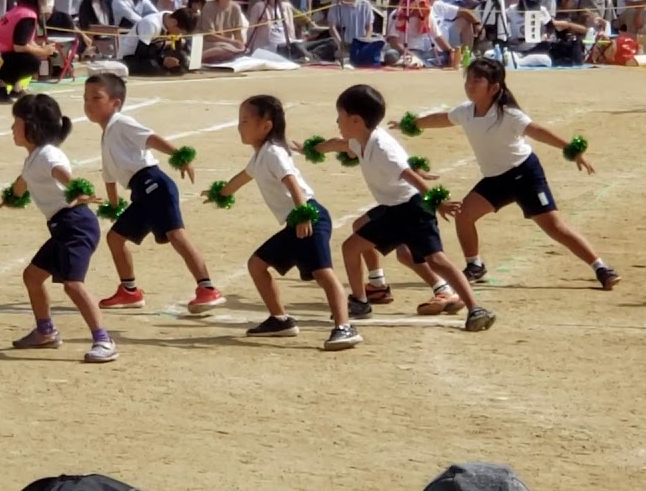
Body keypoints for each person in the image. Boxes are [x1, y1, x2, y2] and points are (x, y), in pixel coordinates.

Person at [397, 58, 620, 290]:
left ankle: (601, 267)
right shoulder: (466, 112)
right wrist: (412, 124)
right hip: (496, 179)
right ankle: (475, 265)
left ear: (494, 88)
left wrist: (571, 150)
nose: (470, 85)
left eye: (477, 80)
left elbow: (539, 131)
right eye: (468, 80)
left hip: (524, 174)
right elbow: (441, 118)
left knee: (554, 226)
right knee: (463, 215)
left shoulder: (509, 115)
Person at [299, 84, 497, 331]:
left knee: (437, 260)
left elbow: (409, 175)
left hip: (413, 210)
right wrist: (310, 149)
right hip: (392, 211)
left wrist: (438, 201)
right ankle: (360, 301)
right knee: (351, 246)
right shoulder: (360, 139)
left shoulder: (382, 148)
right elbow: (338, 144)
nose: (337, 121)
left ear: (356, 120)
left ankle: (475, 308)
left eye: (340, 117)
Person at [201, 95, 362, 350]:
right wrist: (220, 193)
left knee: (323, 273)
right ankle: (280, 320)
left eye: (245, 120)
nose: (239, 126)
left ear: (265, 126)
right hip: (295, 222)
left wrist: (303, 214)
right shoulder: (260, 156)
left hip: (310, 216)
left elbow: (292, 182)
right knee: (257, 265)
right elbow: (242, 178)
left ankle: (344, 326)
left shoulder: (274, 153)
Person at [83, 73, 226, 313]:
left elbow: (150, 138)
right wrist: (113, 204)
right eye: (86, 98)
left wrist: (179, 156)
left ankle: (207, 288)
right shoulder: (106, 134)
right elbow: (109, 176)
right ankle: (129, 291)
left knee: (176, 235)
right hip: (141, 192)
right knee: (115, 238)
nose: (89, 104)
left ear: (115, 103)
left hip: (155, 184)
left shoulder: (121, 122)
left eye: (96, 98)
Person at [0, 94, 117, 362]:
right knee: (32, 275)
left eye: (16, 122)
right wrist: (11, 198)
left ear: (32, 125)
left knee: (73, 284)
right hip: (62, 227)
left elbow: (60, 173)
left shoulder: (48, 155)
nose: (12, 128)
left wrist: (79, 189)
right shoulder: (34, 157)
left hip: (76, 225)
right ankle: (45, 332)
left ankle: (104, 340)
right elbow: (23, 181)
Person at [0, 0, 58, 102]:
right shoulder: (27, 15)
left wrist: (42, 48)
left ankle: (16, 88)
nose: (50, 1)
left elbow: (26, 40)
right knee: (32, 62)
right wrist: (42, 51)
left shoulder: (23, 10)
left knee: (30, 55)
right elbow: (19, 46)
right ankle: (1, 85)